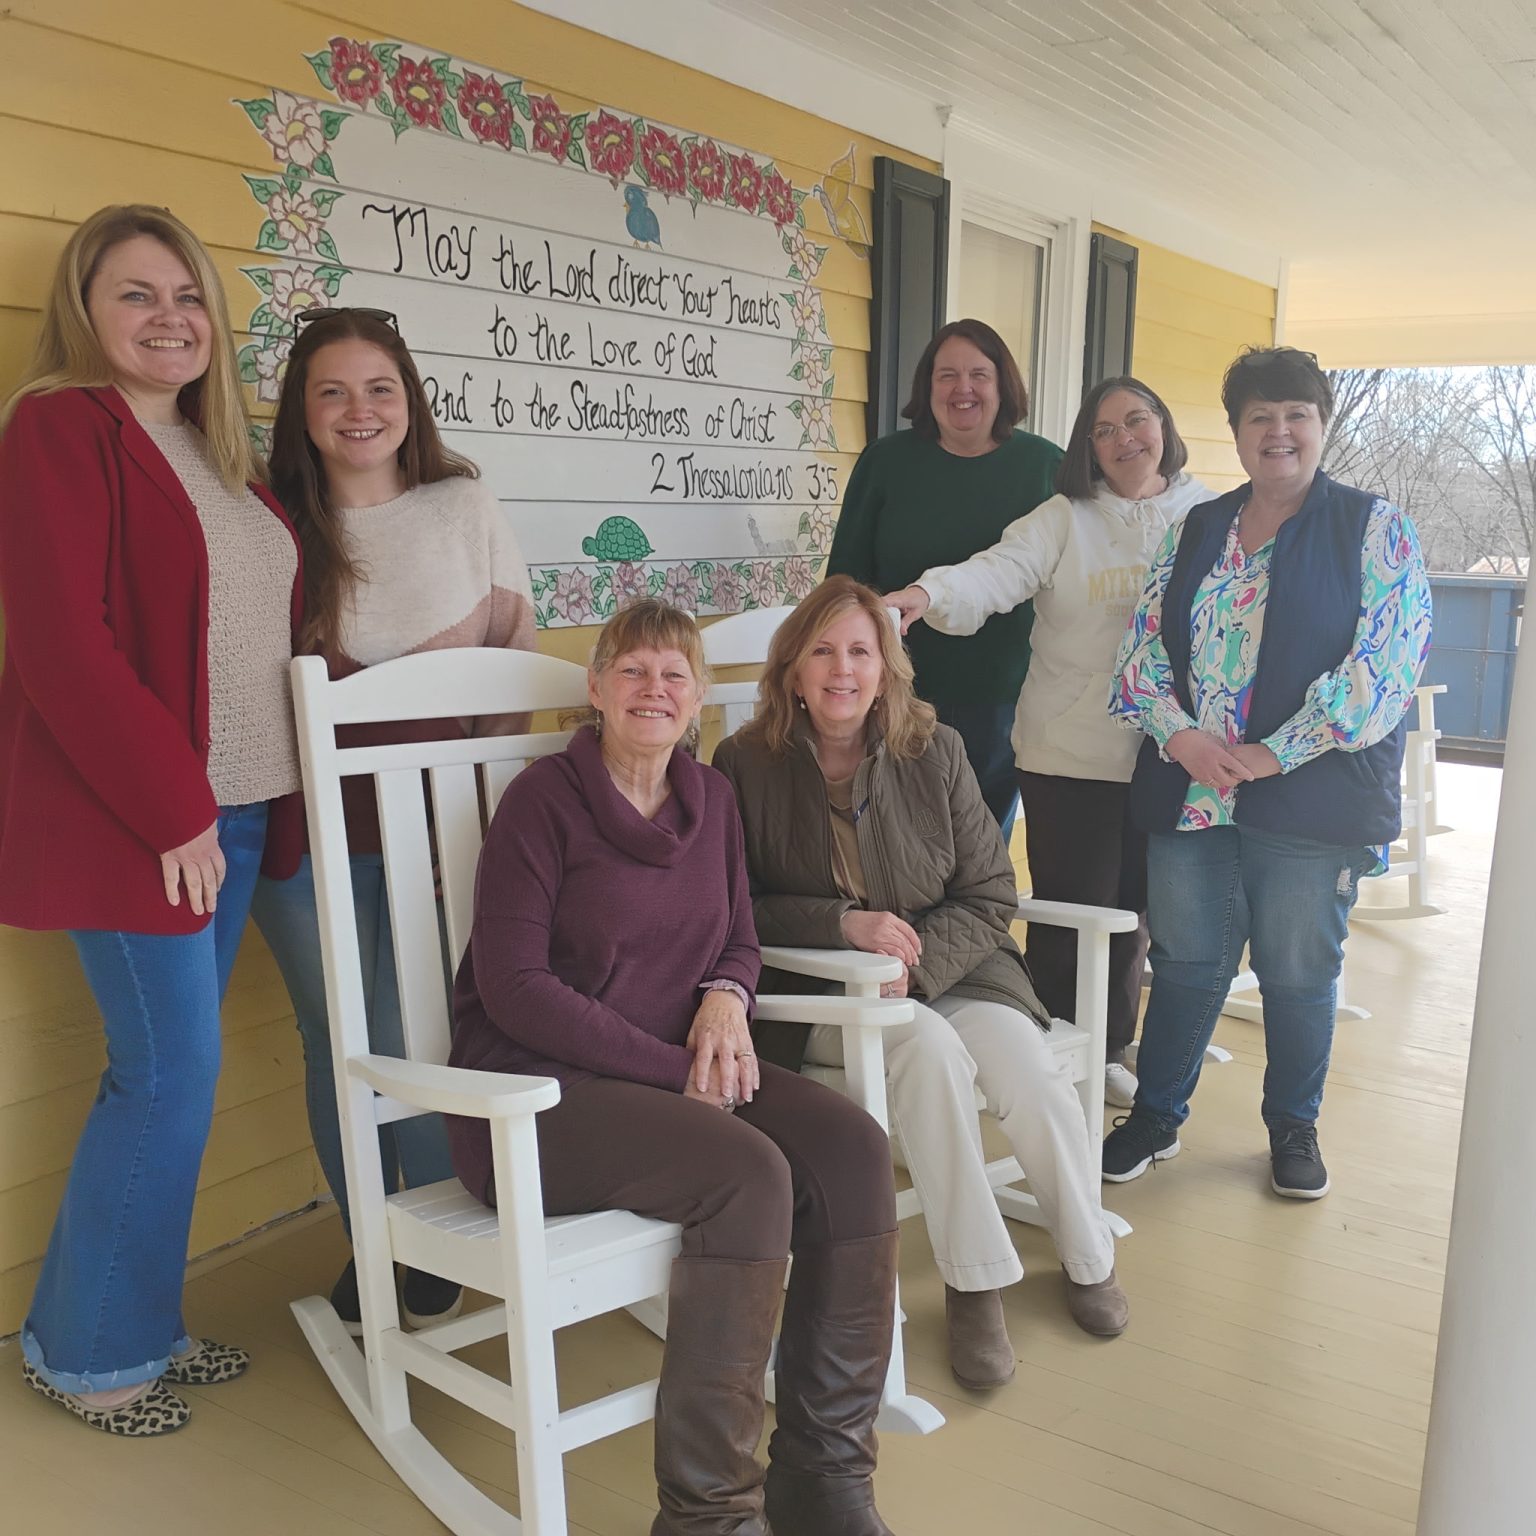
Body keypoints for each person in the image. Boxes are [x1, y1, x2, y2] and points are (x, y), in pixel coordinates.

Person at [446, 599, 901, 1536]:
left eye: (674, 674)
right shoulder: (543, 804)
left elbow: (739, 938)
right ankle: (706, 1519)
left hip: (671, 1081)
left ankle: (824, 1480)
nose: (654, 689)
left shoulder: (713, 799)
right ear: (597, 687)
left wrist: (729, 996)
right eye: (633, 669)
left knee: (853, 1151)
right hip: (532, 1099)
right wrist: (670, 1069)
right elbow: (514, 987)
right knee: (746, 1173)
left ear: (697, 700)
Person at [0, 205, 304, 1434]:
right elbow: (67, 646)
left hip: (237, 816)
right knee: (167, 1077)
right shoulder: (60, 428)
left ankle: (130, 1317)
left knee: (173, 1077)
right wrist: (175, 807)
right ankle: (89, 1355)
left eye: (187, 295)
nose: (168, 316)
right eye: (136, 294)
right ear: (86, 309)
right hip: (147, 819)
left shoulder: (224, 456)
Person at [714, 577, 1127, 1398]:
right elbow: (732, 905)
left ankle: (1089, 1254)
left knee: (1024, 1064)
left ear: (885, 667)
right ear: (792, 669)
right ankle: (976, 1285)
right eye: (822, 651)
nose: (842, 670)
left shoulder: (931, 750)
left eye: (860, 651)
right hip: (826, 998)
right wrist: (842, 925)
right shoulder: (744, 764)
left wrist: (917, 962)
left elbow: (989, 894)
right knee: (932, 1054)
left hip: (953, 971)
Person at [249, 308, 536, 1335]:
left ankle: (441, 1236)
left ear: (408, 398)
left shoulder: (463, 507)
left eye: (379, 388)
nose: (358, 411)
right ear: (303, 410)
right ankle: (372, 1233)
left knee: (417, 1025)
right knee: (338, 1035)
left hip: (438, 828)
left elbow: (510, 664)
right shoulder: (272, 521)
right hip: (302, 829)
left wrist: (484, 819)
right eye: (332, 391)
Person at [1104, 346, 1432, 1199]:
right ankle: (1155, 1116)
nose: (1278, 432)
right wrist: (1180, 739)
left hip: (1311, 796)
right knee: (1184, 959)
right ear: (1238, 433)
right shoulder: (1199, 528)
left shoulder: (1374, 527)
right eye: (1259, 417)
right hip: (1191, 788)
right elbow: (1142, 648)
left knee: (1295, 968)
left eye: (1296, 415)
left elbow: (1384, 671)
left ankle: (1293, 1127)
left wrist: (1269, 752)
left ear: (1322, 425)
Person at [884, 378, 1210, 1111]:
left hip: (1173, 750)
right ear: (1086, 448)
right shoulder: (1064, 517)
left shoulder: (1208, 514)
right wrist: (928, 596)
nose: (1125, 438)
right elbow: (999, 572)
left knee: (1135, 913)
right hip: (1071, 747)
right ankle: (1045, 1048)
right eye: (1103, 429)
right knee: (1072, 909)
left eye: (1138, 420)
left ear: (1164, 426)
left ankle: (1108, 1049)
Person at [827, 318, 1062, 834]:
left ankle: (973, 921)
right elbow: (844, 579)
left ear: (1003, 385)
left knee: (979, 844)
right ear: (926, 387)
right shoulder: (887, 462)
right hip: (896, 689)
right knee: (894, 838)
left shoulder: (1045, 467)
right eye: (947, 375)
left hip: (1006, 694)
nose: (963, 388)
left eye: (979, 374)